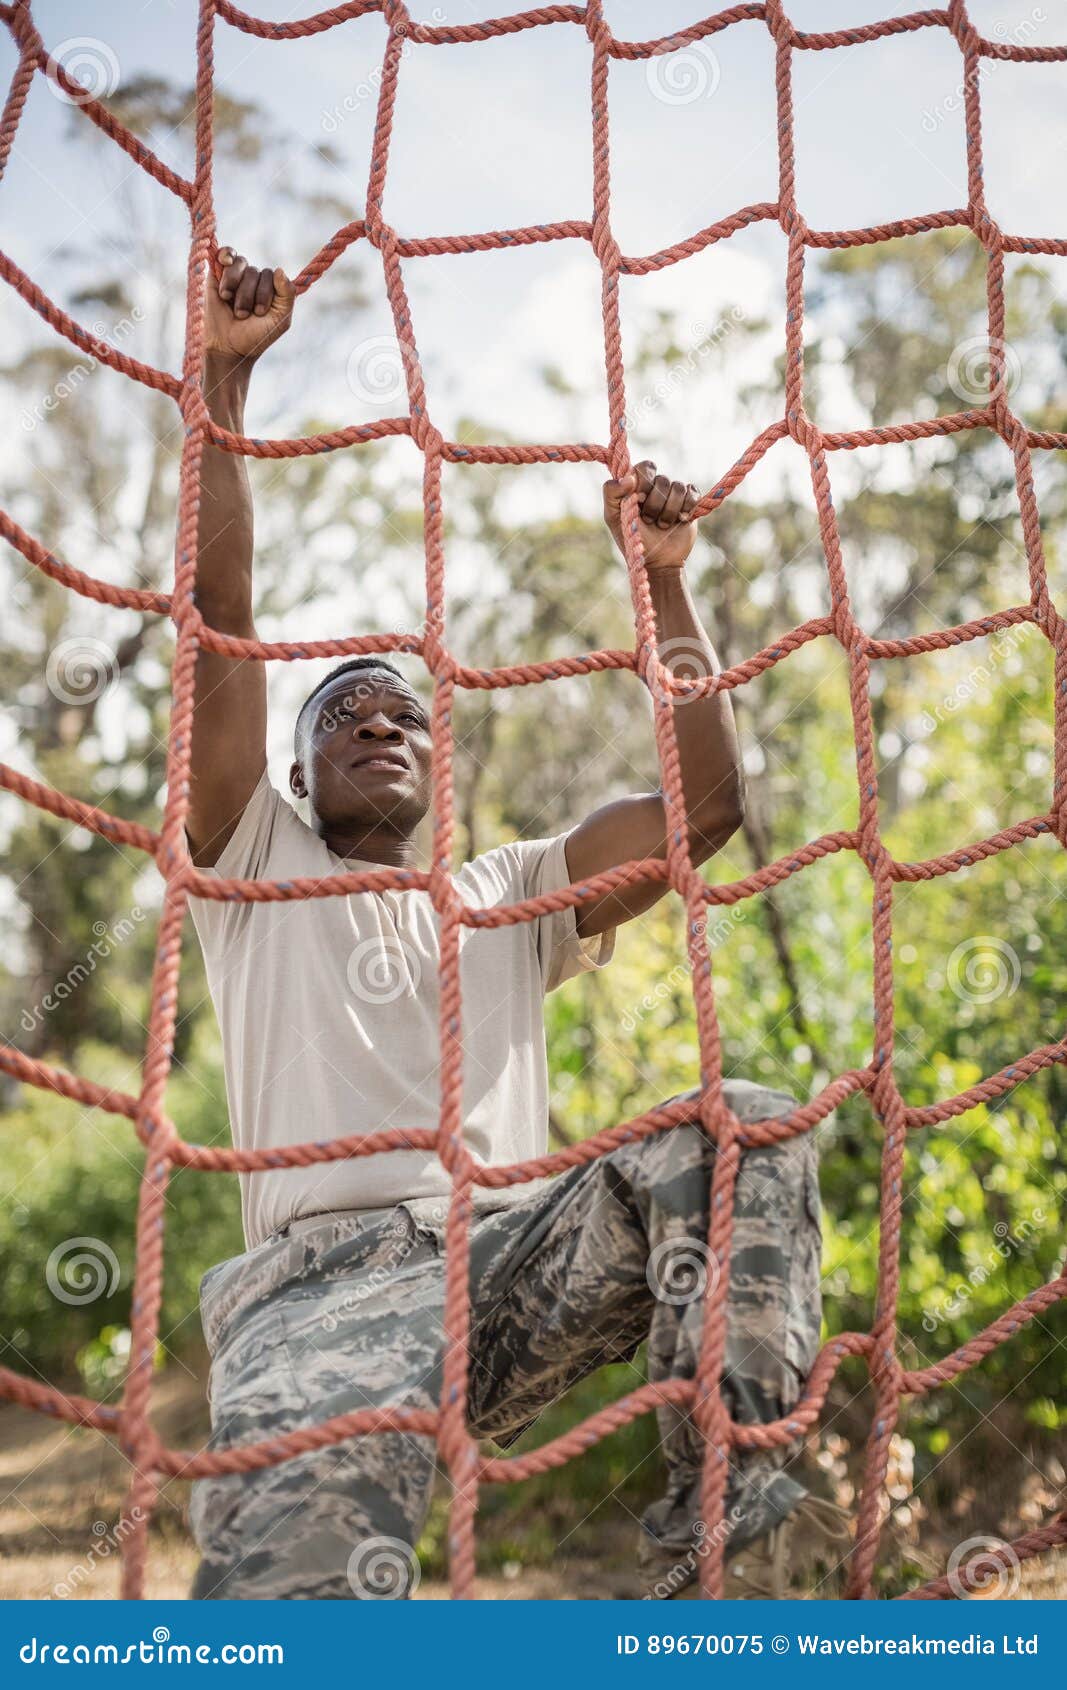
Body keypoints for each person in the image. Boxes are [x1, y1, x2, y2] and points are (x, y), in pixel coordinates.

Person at [184, 248, 836, 1601]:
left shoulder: (506, 892)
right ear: (298, 777)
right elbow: (220, 622)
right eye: (342, 712)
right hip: (320, 1299)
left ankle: (739, 1556)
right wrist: (224, 382)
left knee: (742, 1125)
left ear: (439, 764)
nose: (378, 715)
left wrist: (662, 581)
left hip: (503, 1265)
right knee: (300, 1599)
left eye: (404, 709)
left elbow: (699, 812)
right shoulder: (250, 859)